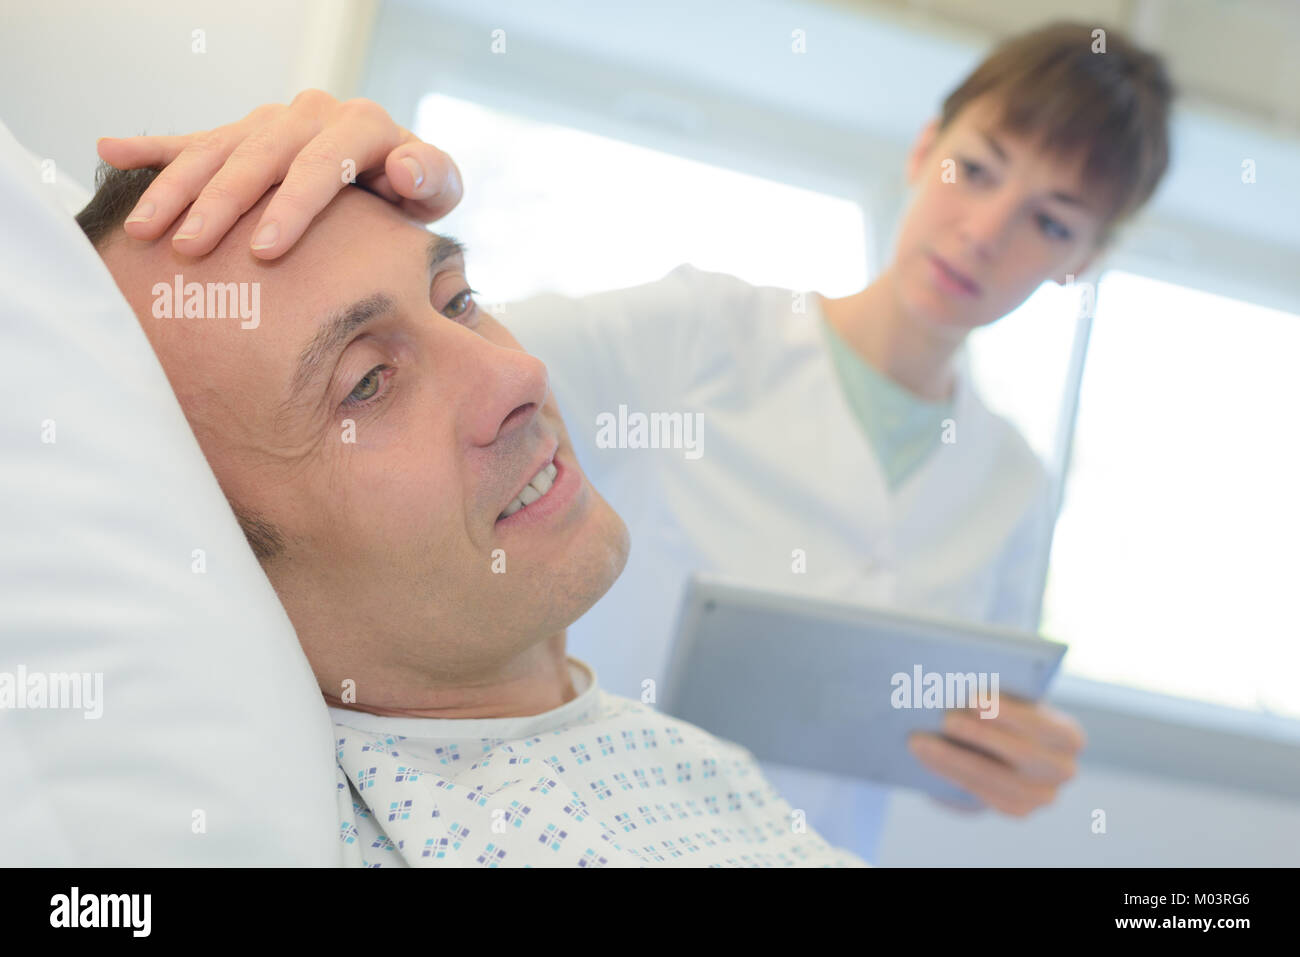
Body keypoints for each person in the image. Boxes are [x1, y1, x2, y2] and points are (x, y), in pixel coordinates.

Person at [95, 20, 1170, 859]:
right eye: (977, 171)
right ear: (925, 148)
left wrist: (997, 765)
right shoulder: (697, 334)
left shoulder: (1015, 485)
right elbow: (322, 374)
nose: (984, 232)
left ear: (1080, 262)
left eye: (1052, 220)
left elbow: (954, 720)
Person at [73, 164, 865, 867]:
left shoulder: (704, 768)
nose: (518, 371)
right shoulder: (300, 831)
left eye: (457, 300)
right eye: (368, 383)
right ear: (220, 548)